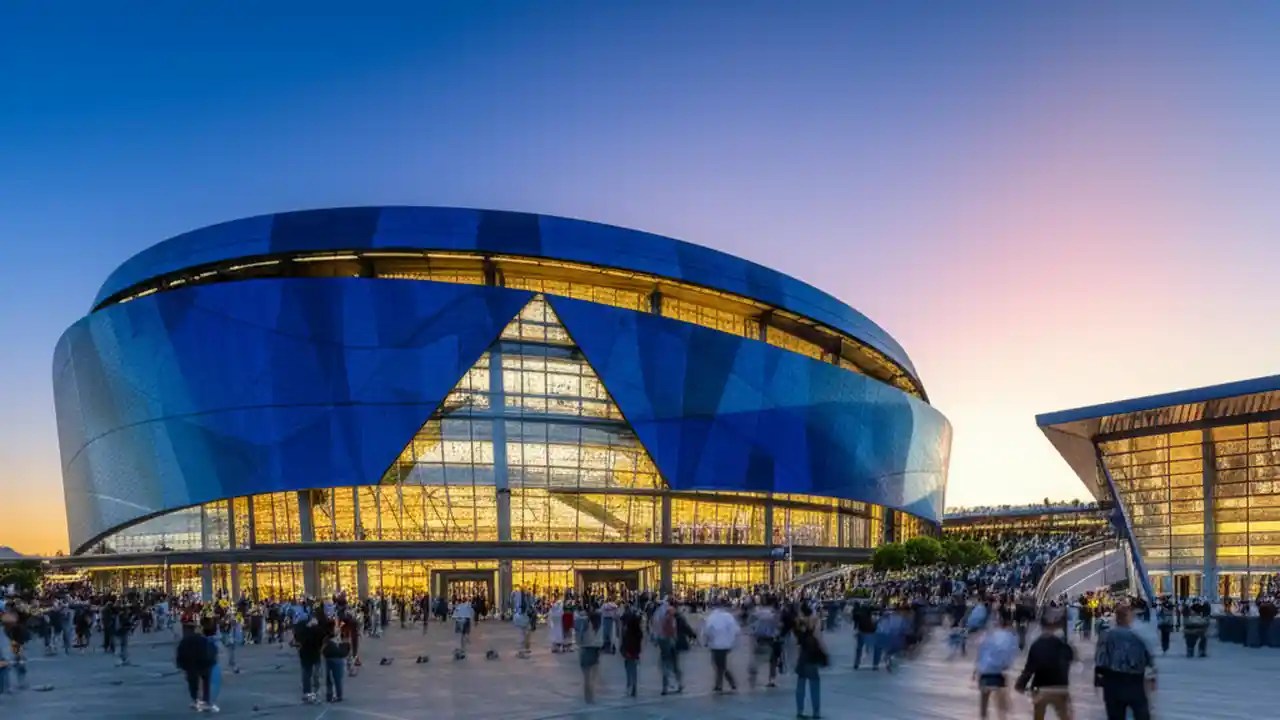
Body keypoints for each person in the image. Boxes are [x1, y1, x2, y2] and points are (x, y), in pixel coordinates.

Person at [1094, 605, 1154, 720]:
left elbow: (1100, 660)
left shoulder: (1106, 635)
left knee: (1115, 715)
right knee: (1141, 713)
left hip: (1113, 681)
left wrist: (1099, 679)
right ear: (1129, 618)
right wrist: (1151, 678)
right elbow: (1148, 659)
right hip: (1135, 681)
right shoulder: (1139, 636)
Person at [1015, 613, 1074, 720]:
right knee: (1065, 716)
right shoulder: (1062, 644)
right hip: (1061, 687)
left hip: (1041, 688)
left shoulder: (1036, 645)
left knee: (1038, 715)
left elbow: (1029, 669)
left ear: (1041, 627)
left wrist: (1020, 684)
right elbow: (1069, 659)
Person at [974, 613, 1018, 720]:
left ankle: (983, 717)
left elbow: (980, 653)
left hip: (985, 671)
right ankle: (1002, 717)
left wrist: (976, 671)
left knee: (984, 699)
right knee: (1001, 703)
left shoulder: (988, 636)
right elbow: (1010, 655)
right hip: (999, 673)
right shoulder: (1011, 637)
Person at [793, 604, 828, 719]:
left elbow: (797, 640)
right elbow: (818, 637)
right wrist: (824, 652)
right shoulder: (815, 620)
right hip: (812, 655)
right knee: (815, 684)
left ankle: (800, 710)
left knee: (800, 684)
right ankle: (816, 711)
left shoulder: (798, 621)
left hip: (802, 655)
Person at [701, 600, 740, 693]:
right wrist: (732, 641)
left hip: (715, 644)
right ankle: (724, 683)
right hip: (726, 644)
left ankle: (723, 684)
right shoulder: (728, 616)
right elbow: (736, 630)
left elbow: (707, 631)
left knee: (718, 665)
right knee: (721, 664)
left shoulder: (711, 617)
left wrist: (706, 641)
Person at [176, 623, 214, 712]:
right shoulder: (203, 640)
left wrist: (181, 665)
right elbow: (211, 650)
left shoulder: (185, 641)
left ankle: (195, 699)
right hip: (204, 663)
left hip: (191, 665)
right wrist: (212, 661)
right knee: (206, 681)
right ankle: (206, 699)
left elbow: (180, 654)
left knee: (193, 682)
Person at [748, 600, 780, 688]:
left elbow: (752, 627)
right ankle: (772, 680)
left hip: (760, 639)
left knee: (757, 659)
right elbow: (777, 628)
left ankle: (753, 676)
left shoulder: (757, 614)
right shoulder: (773, 615)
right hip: (771, 639)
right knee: (773, 661)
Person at [578, 606, 604, 703]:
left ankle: (587, 697)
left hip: (585, 649)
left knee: (586, 678)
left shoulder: (585, 624)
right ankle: (591, 697)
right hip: (595, 651)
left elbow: (580, 637)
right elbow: (601, 642)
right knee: (593, 677)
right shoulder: (599, 627)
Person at [297, 616, 325, 704]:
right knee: (314, 674)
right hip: (313, 654)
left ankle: (308, 693)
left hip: (306, 654)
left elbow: (299, 639)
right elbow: (322, 637)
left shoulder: (303, 629)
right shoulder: (316, 630)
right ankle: (314, 693)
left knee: (307, 674)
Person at [322, 621, 351, 703]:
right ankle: (337, 695)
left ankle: (332, 695)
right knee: (336, 678)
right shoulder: (331, 638)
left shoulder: (328, 638)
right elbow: (346, 647)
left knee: (332, 678)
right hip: (336, 658)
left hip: (331, 657)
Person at [619, 604, 644, 697]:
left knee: (628, 668)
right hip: (635, 651)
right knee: (634, 668)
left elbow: (624, 641)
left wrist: (622, 649)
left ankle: (629, 684)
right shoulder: (638, 632)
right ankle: (634, 685)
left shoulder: (627, 631)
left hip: (628, 650)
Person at [851, 601, 876, 669]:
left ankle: (857, 662)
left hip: (862, 631)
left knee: (859, 648)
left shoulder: (859, 614)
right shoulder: (869, 614)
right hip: (869, 632)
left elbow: (855, 620)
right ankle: (874, 663)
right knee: (870, 647)